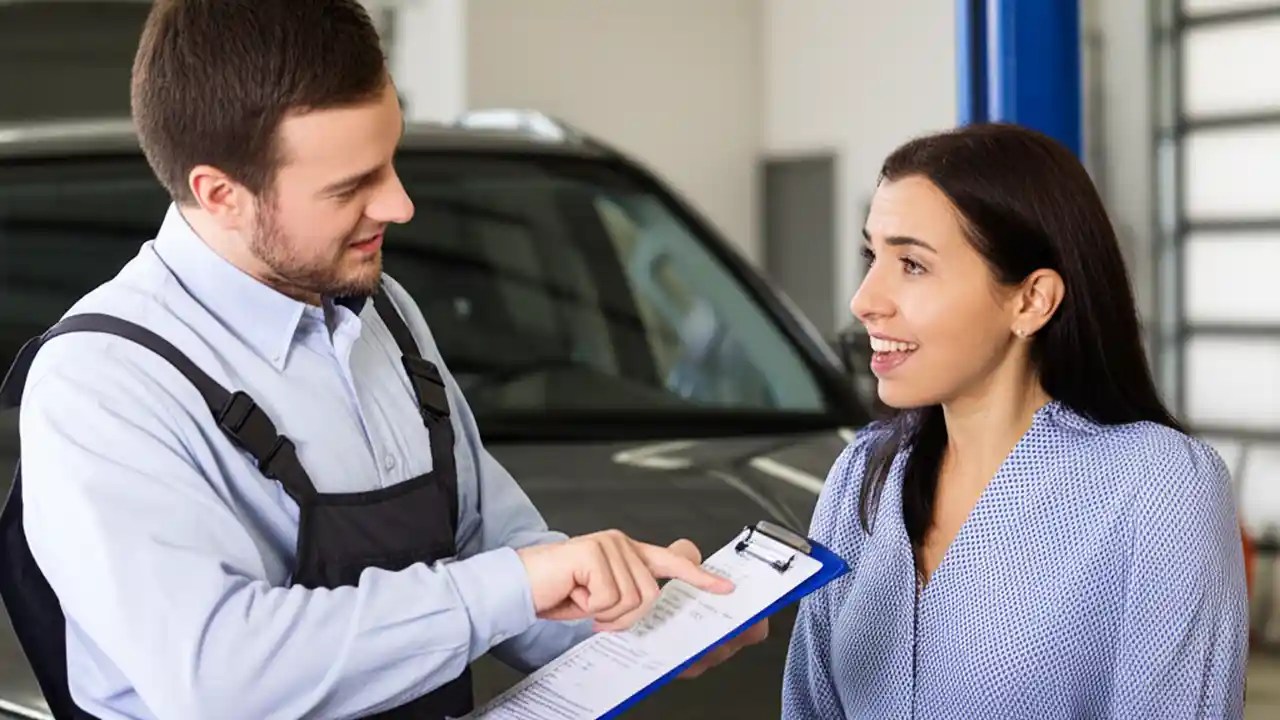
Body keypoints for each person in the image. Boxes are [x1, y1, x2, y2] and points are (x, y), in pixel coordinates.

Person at [0, 1, 764, 718]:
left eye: (390, 161)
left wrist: (645, 622)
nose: (399, 205)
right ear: (220, 193)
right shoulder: (104, 383)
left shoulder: (384, 314)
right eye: (351, 186)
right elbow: (219, 675)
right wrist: (513, 585)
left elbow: (491, 550)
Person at [781, 124, 1249, 719]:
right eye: (874, 256)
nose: (864, 299)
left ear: (1031, 300)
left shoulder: (1160, 486)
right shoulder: (862, 478)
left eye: (913, 265)